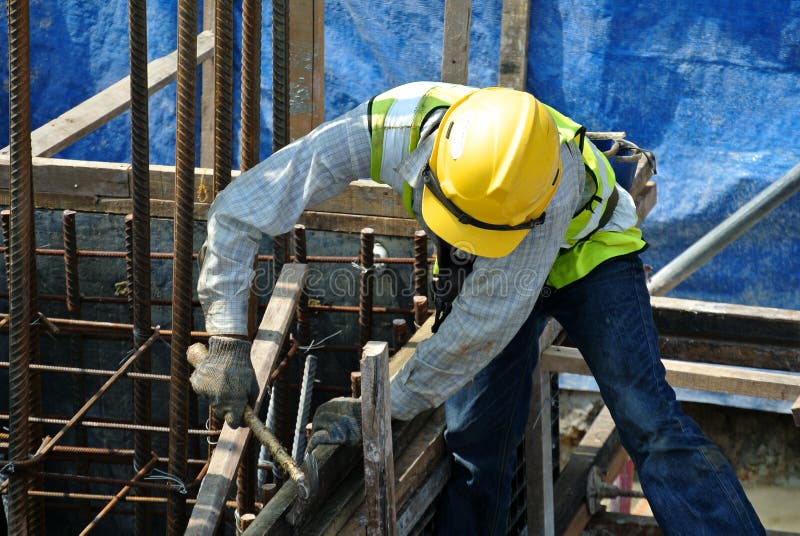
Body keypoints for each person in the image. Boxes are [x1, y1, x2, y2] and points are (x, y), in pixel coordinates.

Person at [190, 81, 765, 535]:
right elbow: (243, 209)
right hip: (490, 270)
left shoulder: (553, 176)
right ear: (434, 163)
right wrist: (226, 338)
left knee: (650, 422)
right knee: (473, 447)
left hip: (591, 258)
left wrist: (386, 404)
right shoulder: (387, 128)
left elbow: (485, 323)